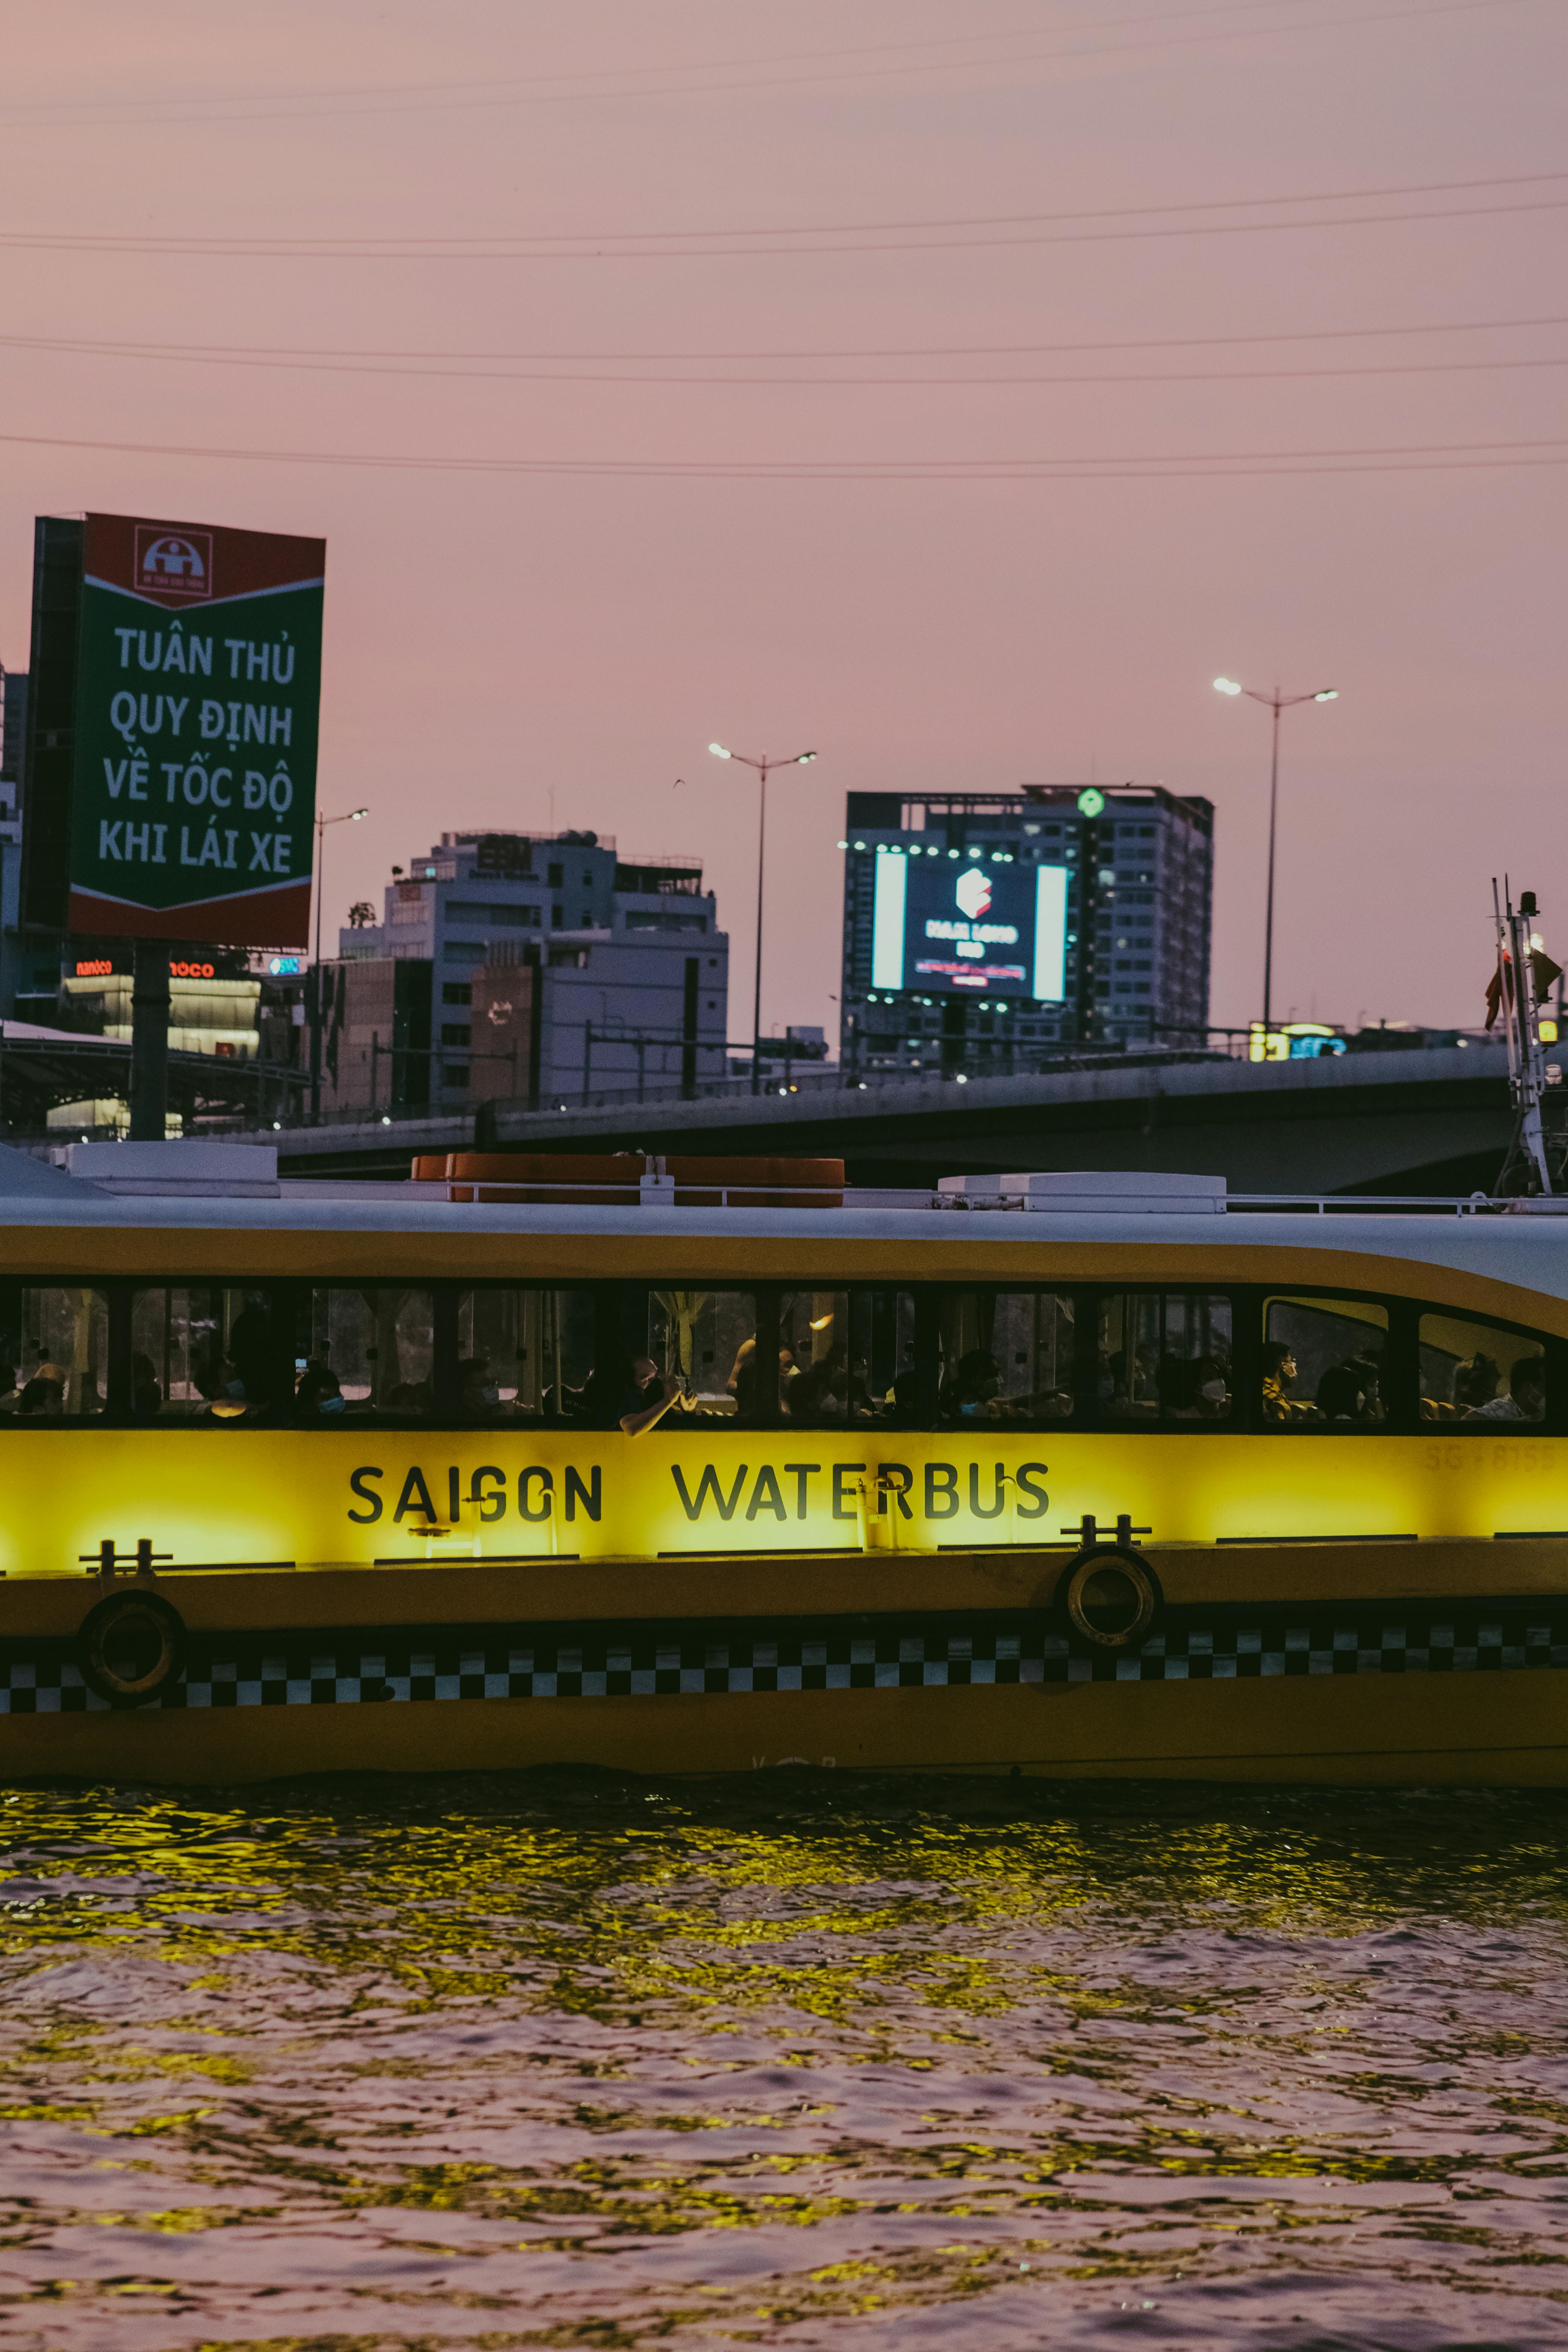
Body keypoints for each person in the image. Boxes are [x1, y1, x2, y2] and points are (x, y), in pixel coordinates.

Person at [1468, 1355, 1547, 1422]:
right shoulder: (1502, 1408)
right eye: (1544, 1387)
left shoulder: (1536, 1414)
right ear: (1528, 1388)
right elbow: (1470, 1418)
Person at [1262, 1340, 1305, 1421]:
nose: (1294, 1366)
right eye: (1290, 1361)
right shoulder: (1273, 1397)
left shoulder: (1271, 1389)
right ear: (1283, 1366)